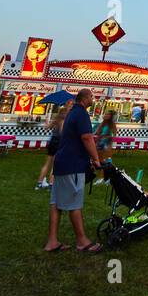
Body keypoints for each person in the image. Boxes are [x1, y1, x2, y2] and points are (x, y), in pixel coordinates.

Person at [43, 88, 102, 253]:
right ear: (85, 98)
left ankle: (52, 241)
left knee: (56, 204)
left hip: (61, 162)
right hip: (73, 163)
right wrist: (96, 159)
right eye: (92, 96)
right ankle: (82, 241)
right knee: (75, 203)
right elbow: (86, 137)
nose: (94, 98)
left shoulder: (71, 113)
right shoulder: (82, 113)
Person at [36, 103, 71, 191]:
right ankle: (51, 184)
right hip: (59, 143)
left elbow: (46, 127)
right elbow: (62, 133)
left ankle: (39, 183)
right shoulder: (64, 121)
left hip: (52, 142)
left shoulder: (56, 120)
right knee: (55, 165)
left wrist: (47, 122)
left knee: (47, 164)